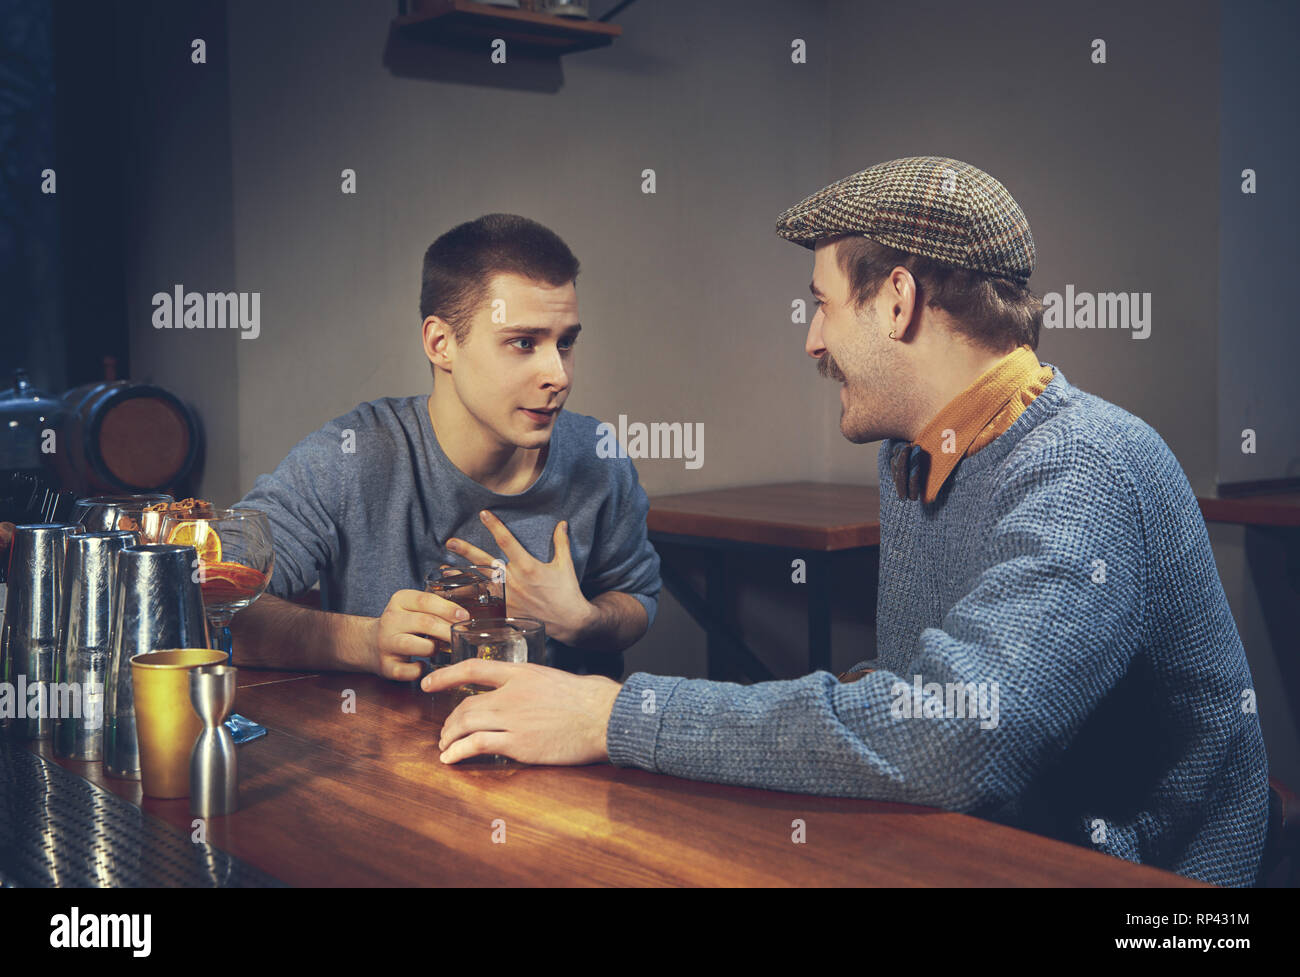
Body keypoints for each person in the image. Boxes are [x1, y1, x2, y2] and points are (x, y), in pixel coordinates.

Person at [424, 157, 1270, 888]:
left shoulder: (1086, 466)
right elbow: (902, 691)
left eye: (821, 304)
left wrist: (612, 717)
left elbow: (956, 738)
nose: (812, 341)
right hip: (984, 844)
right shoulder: (916, 450)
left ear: (896, 300)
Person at [230, 214, 661, 680]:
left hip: (557, 746)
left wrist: (582, 622)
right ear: (441, 343)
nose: (558, 375)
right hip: (382, 745)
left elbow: (635, 598)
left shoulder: (597, 456)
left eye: (565, 343)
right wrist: (363, 641)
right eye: (522, 342)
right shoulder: (348, 457)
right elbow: (205, 609)